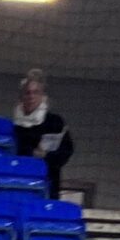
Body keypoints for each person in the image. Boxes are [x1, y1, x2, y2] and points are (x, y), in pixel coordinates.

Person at [13, 70, 74, 201]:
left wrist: (46, 156)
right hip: (17, 182)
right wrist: (32, 154)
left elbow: (66, 151)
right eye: (27, 93)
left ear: (43, 96)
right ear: (21, 97)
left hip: (47, 184)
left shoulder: (55, 122)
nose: (31, 96)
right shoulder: (14, 126)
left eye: (36, 92)